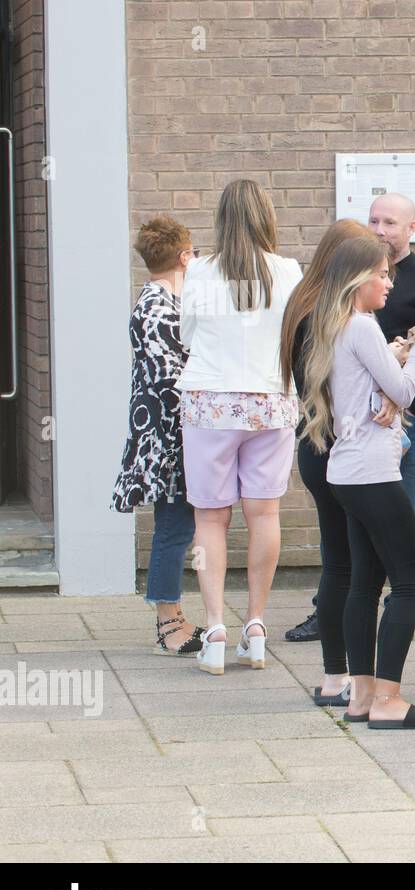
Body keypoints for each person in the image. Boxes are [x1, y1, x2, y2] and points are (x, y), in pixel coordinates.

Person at [284, 192, 415, 642]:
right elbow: (331, 371)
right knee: (349, 543)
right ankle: (355, 616)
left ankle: (392, 614)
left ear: (412, 229)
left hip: (405, 426)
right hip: (351, 432)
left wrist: (408, 408)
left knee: (408, 523)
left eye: (389, 223)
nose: (381, 231)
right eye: (374, 222)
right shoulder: (335, 313)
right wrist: (395, 377)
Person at [299, 234, 415, 728]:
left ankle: (361, 696)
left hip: (347, 472)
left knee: (364, 582)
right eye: (382, 275)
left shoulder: (339, 325)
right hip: (372, 473)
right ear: (358, 279)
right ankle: (388, 700)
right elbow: (404, 391)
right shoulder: (361, 326)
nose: (389, 282)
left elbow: (377, 383)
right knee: (410, 581)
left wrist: (401, 350)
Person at [179, 180, 302, 676]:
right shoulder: (288, 270)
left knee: (210, 520)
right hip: (271, 399)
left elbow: (188, 333)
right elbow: (296, 333)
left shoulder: (201, 271)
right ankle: (255, 624)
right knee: (264, 513)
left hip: (210, 400)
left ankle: (214, 626)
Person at [279, 219, 376, 705]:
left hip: (313, 446)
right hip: (342, 448)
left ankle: (335, 678)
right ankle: (356, 682)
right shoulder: (332, 316)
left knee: (339, 562)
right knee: (360, 568)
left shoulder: (301, 303)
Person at [112, 216, 203, 656]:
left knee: (177, 526)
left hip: (167, 435)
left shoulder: (158, 300)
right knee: (173, 528)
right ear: (184, 256)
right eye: (195, 253)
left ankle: (173, 616)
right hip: (170, 438)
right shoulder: (160, 308)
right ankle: (168, 624)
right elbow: (172, 381)